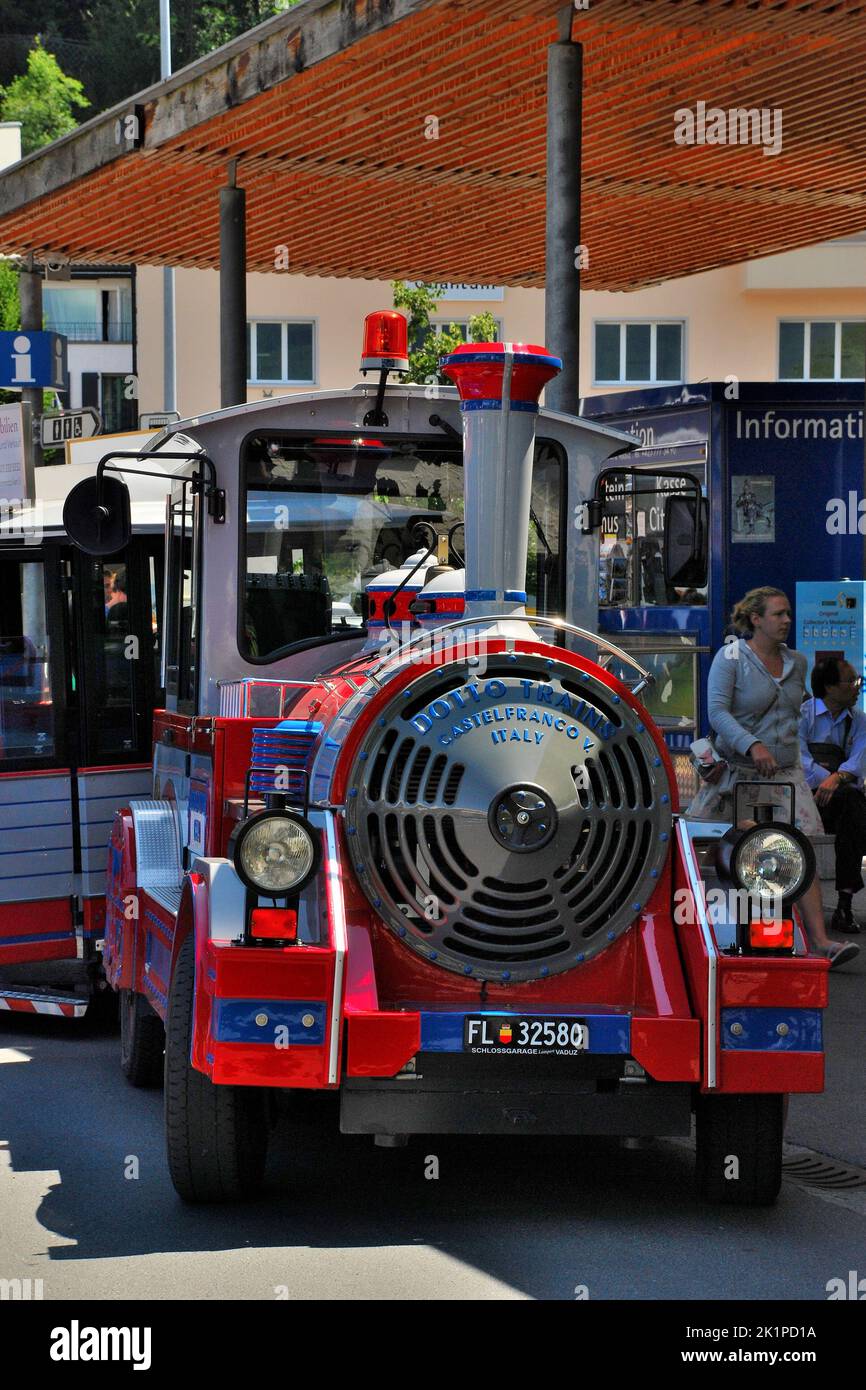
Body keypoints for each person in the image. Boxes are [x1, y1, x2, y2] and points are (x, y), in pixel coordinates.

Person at [688, 586, 859, 969]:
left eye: (787, 614)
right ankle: (694, 932)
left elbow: (795, 717)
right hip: (738, 771)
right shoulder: (730, 658)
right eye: (779, 614)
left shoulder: (797, 662)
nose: (786, 621)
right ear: (756, 619)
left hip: (784, 772)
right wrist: (752, 745)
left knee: (798, 849)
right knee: (704, 847)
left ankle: (820, 941)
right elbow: (717, 713)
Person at [800, 657, 866, 934]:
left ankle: (844, 903)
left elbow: (859, 760)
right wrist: (826, 780)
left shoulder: (859, 720)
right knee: (856, 810)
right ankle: (844, 902)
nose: (857, 688)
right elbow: (798, 760)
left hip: (841, 799)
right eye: (851, 682)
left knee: (853, 808)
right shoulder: (802, 715)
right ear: (829, 687)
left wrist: (834, 779)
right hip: (805, 797)